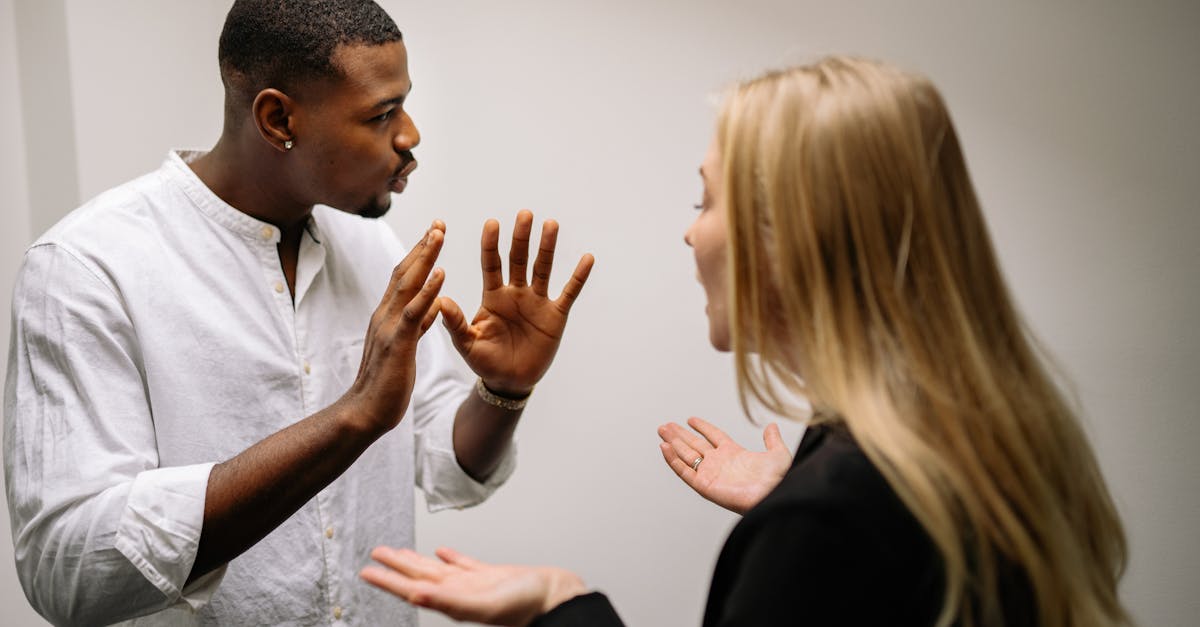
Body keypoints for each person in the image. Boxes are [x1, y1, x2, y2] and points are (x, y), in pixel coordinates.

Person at [359, 57, 1131, 626]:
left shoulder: (834, 515)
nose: (690, 231)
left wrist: (565, 604)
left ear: (790, 237)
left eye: (707, 199)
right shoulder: (975, 440)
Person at [3, 0, 593, 625]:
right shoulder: (88, 268)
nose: (410, 135)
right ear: (278, 117)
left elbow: (446, 464)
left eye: (405, 103)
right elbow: (67, 569)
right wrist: (350, 420)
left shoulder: (372, 251)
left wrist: (504, 389)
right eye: (382, 113)